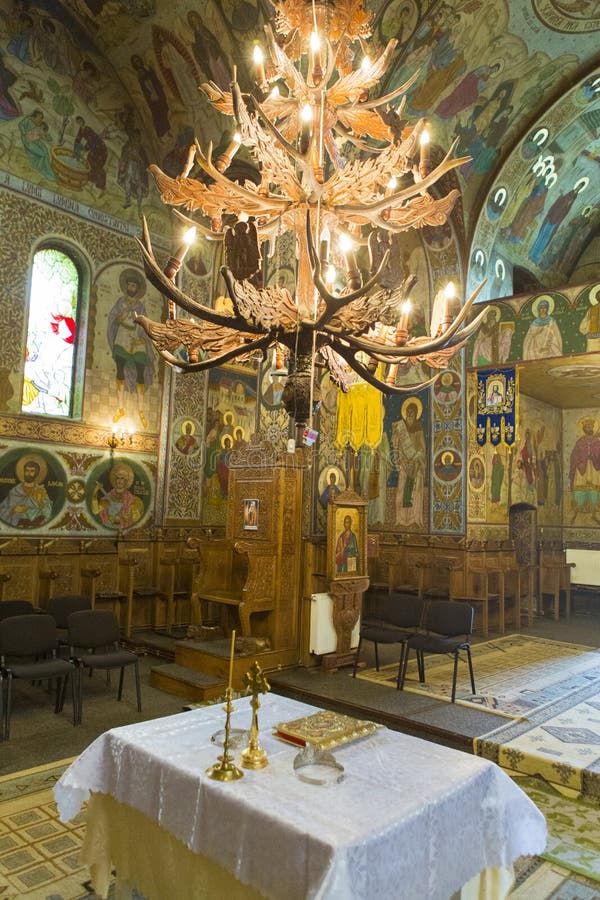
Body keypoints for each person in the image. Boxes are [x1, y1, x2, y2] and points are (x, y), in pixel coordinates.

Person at [107, 268, 154, 429]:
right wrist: (124, 313)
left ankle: (141, 409)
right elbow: (113, 320)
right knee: (120, 371)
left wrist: (143, 337)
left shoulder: (141, 307)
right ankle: (120, 408)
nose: (132, 288)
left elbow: (147, 326)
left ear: (138, 289)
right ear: (126, 287)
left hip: (137, 342)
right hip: (122, 340)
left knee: (141, 372)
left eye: (134, 286)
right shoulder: (120, 303)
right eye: (130, 286)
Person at [391, 399, 426, 528]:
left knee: (415, 492)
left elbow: (422, 449)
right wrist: (401, 459)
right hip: (404, 465)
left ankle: (415, 518)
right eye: (408, 412)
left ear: (416, 413)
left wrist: (415, 457)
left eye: (412, 412)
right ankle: (400, 519)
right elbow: (397, 447)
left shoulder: (419, 429)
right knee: (401, 491)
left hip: (416, 466)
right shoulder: (401, 428)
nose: (410, 414)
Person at [0, 454, 53, 528]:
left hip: (35, 525)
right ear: (23, 472)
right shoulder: (15, 491)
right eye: (27, 470)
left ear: (36, 473)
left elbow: (48, 513)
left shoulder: (41, 491)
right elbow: (2, 510)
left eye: (32, 471)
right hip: (18, 525)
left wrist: (41, 502)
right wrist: (13, 510)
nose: (29, 473)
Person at [91, 461, 144, 530]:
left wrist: (124, 515)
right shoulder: (108, 497)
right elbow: (95, 511)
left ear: (126, 481)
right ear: (115, 480)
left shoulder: (133, 500)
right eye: (117, 478)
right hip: (109, 528)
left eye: (122, 478)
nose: (119, 481)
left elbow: (135, 518)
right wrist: (95, 491)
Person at [569, 417, 600, 524]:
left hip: (594, 469)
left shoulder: (597, 442)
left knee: (594, 491)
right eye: (586, 426)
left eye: (590, 426)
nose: (588, 428)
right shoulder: (580, 442)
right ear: (583, 428)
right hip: (581, 470)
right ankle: (575, 513)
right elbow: (573, 456)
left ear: (593, 428)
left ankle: (594, 515)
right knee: (579, 491)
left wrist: (594, 457)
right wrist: (579, 462)